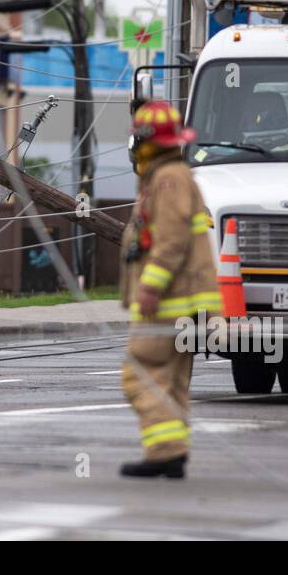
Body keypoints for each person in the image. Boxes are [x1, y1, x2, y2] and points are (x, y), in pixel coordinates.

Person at [119, 101, 220, 479]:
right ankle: (173, 453)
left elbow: (172, 240)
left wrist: (149, 286)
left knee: (141, 374)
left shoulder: (168, 179)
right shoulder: (170, 175)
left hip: (167, 305)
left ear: (147, 142)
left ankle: (163, 451)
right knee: (172, 382)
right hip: (183, 305)